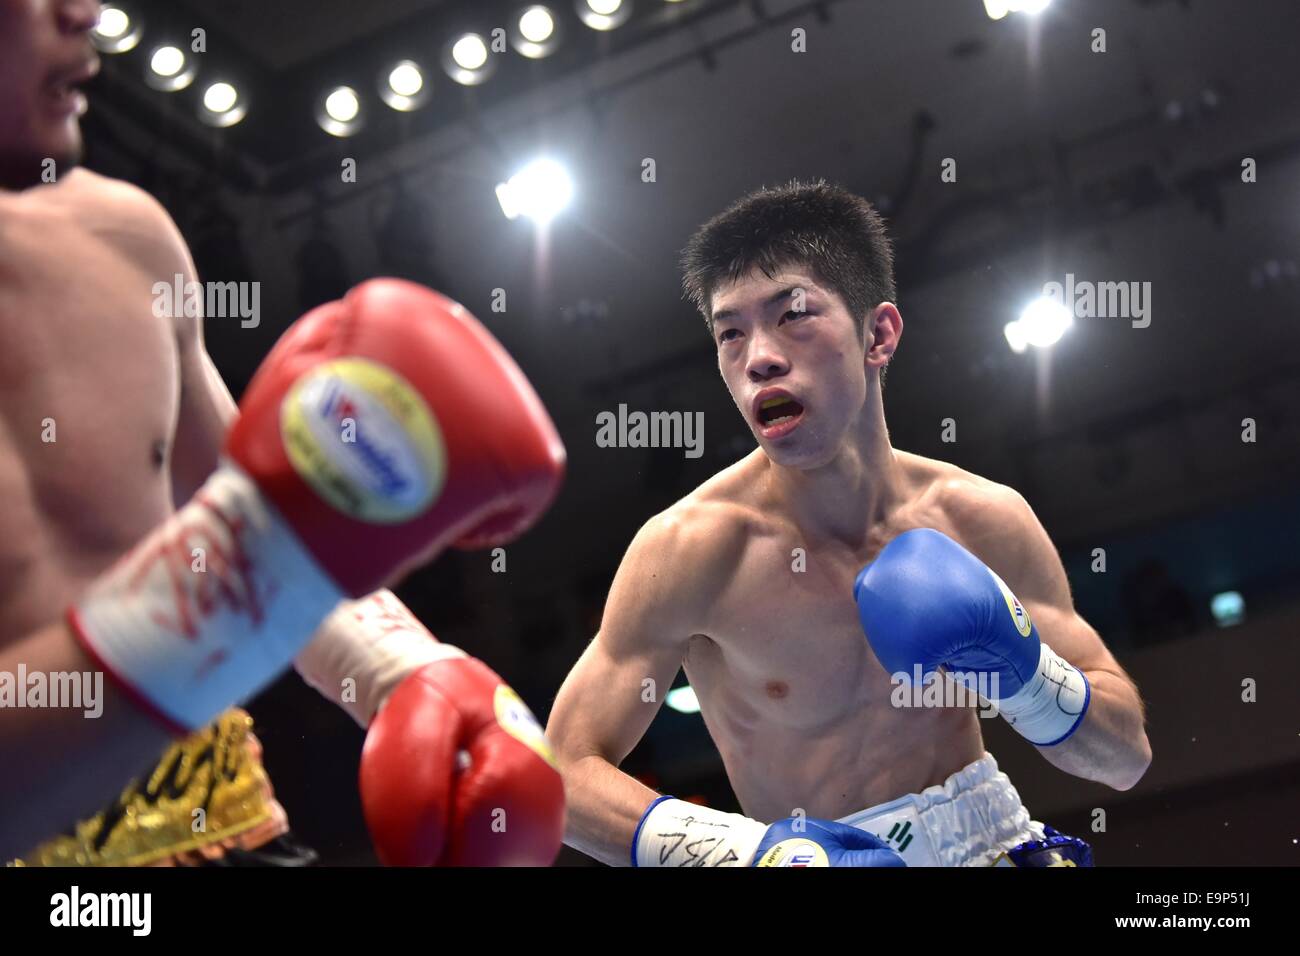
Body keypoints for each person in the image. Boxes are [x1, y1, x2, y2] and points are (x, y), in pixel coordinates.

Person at [0, 0, 565, 866]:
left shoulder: (123, 239)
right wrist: (256, 561)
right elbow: (259, 548)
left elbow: (250, 516)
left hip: (226, 824)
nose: (80, 9)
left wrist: (401, 672)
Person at [546, 180, 1151, 867]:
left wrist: (1024, 674)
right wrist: (758, 858)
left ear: (879, 334)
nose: (759, 357)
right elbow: (562, 774)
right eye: (730, 332)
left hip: (998, 847)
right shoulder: (691, 550)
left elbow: (1123, 757)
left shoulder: (981, 518)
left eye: (793, 314)